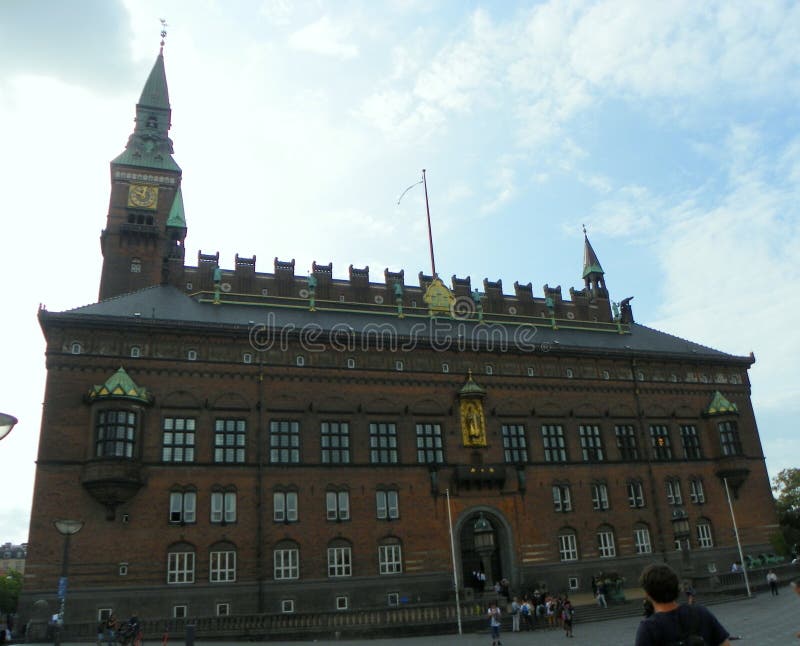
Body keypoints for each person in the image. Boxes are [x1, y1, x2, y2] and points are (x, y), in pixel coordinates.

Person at [635, 563, 731, 646]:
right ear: (677, 587)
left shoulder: (648, 628)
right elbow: (725, 644)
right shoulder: (701, 612)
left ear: (647, 594)